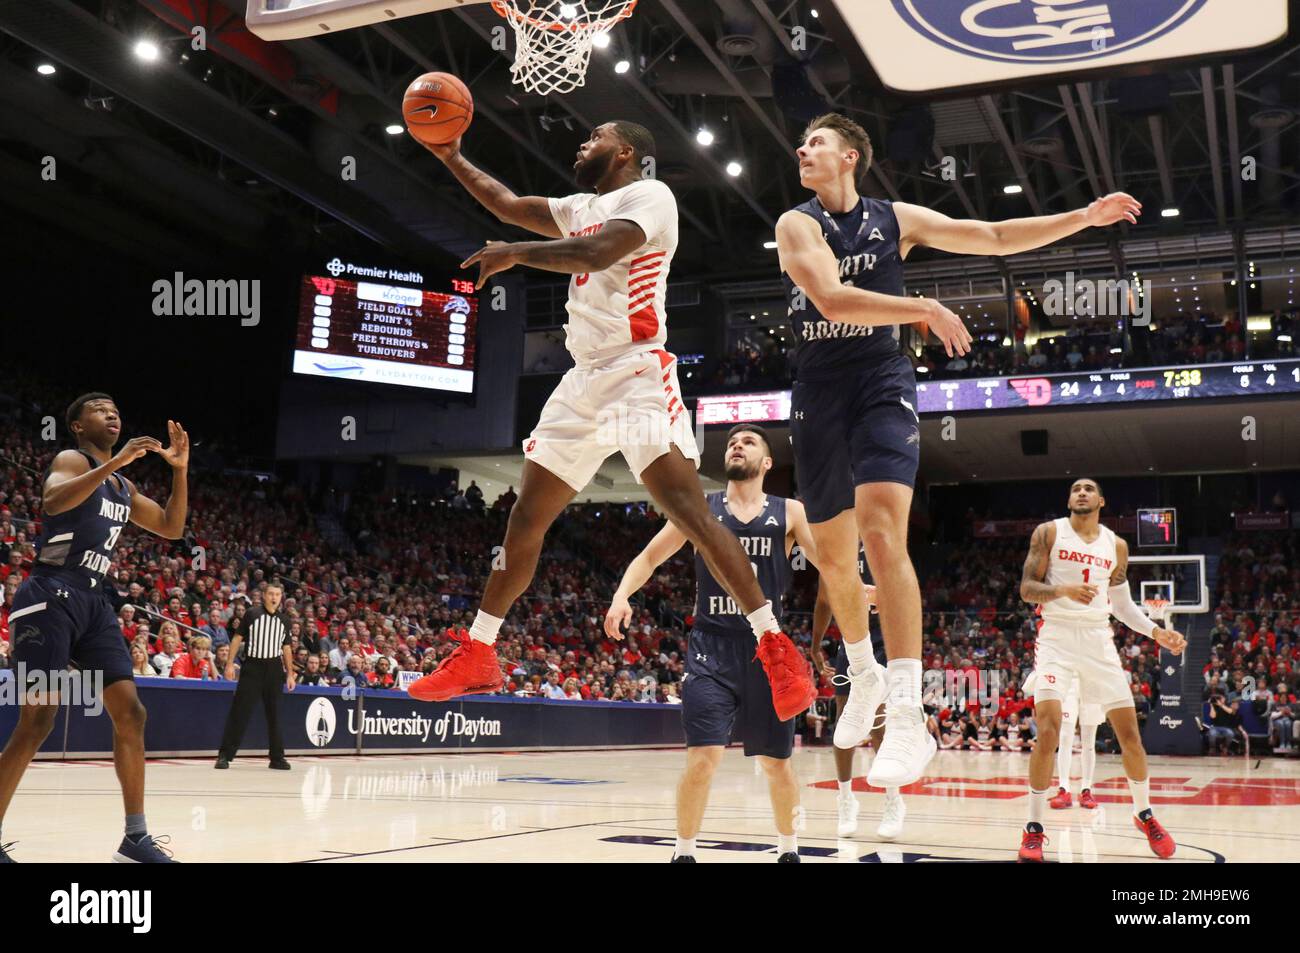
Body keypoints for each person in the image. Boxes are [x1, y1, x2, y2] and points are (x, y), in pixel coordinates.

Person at [775, 112, 1141, 789]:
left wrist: (1083, 218)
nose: (803, 148)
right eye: (802, 142)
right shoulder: (796, 225)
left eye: (817, 141)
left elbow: (994, 235)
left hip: (881, 380)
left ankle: (907, 715)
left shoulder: (895, 218)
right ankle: (864, 673)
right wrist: (922, 308)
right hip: (818, 390)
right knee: (833, 556)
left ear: (851, 156)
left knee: (882, 532)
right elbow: (829, 299)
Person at [407, 123, 813, 720]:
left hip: (636, 370)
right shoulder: (578, 208)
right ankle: (479, 650)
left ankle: (775, 646)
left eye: (594, 135)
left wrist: (515, 252)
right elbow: (507, 203)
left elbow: (598, 253)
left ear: (626, 152)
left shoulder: (650, 196)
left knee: (689, 514)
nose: (581, 143)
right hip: (583, 378)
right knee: (526, 517)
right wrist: (451, 155)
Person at [606, 424, 823, 863]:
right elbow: (649, 556)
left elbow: (829, 564)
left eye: (749, 442)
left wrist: (862, 589)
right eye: (732, 442)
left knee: (776, 763)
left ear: (767, 463)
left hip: (768, 652)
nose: (737, 445)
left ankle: (788, 849)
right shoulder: (701, 509)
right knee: (703, 759)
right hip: (710, 648)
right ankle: (684, 853)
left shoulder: (790, 512)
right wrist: (621, 594)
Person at [0, 393, 188, 862]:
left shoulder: (123, 486)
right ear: (79, 426)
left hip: (94, 602)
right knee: (37, 720)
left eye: (116, 410)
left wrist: (180, 471)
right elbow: (52, 500)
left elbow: (171, 527)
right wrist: (116, 462)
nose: (112, 414)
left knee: (132, 713)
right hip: (48, 595)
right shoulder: (72, 458)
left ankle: (135, 839)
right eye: (100, 409)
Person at [1017, 478, 1186, 861]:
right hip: (1057, 637)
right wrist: (1062, 591)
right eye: (1076, 488)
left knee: (1130, 735)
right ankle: (1033, 827)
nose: (1082, 492)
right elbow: (1027, 589)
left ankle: (1144, 814)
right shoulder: (1049, 533)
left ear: (1101, 501)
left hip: (1098, 640)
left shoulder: (1116, 545)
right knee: (1048, 730)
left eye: (1089, 489)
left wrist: (1157, 632)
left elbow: (1122, 607)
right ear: (1069, 499)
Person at [809, 569, 904, 839]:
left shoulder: (882, 546)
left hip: (885, 637)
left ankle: (893, 800)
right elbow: (824, 599)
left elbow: (904, 592)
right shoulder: (837, 548)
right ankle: (846, 799)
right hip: (851, 640)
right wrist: (815, 645)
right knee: (843, 720)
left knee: (878, 722)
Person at [215, 582, 295, 771]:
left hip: (275, 669)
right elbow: (237, 638)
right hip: (253, 667)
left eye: (277, 594)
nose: (274, 597)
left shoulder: (284, 620)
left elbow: (286, 648)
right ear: (264, 595)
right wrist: (229, 664)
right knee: (240, 711)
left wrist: (290, 674)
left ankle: (277, 758)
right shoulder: (252, 614)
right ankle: (225, 755)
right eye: (271, 594)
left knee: (275, 715)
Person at [1040, 673, 1102, 809]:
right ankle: (1064, 789)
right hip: (1069, 681)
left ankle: (1086, 790)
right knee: (1064, 738)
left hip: (1093, 681)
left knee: (1089, 742)